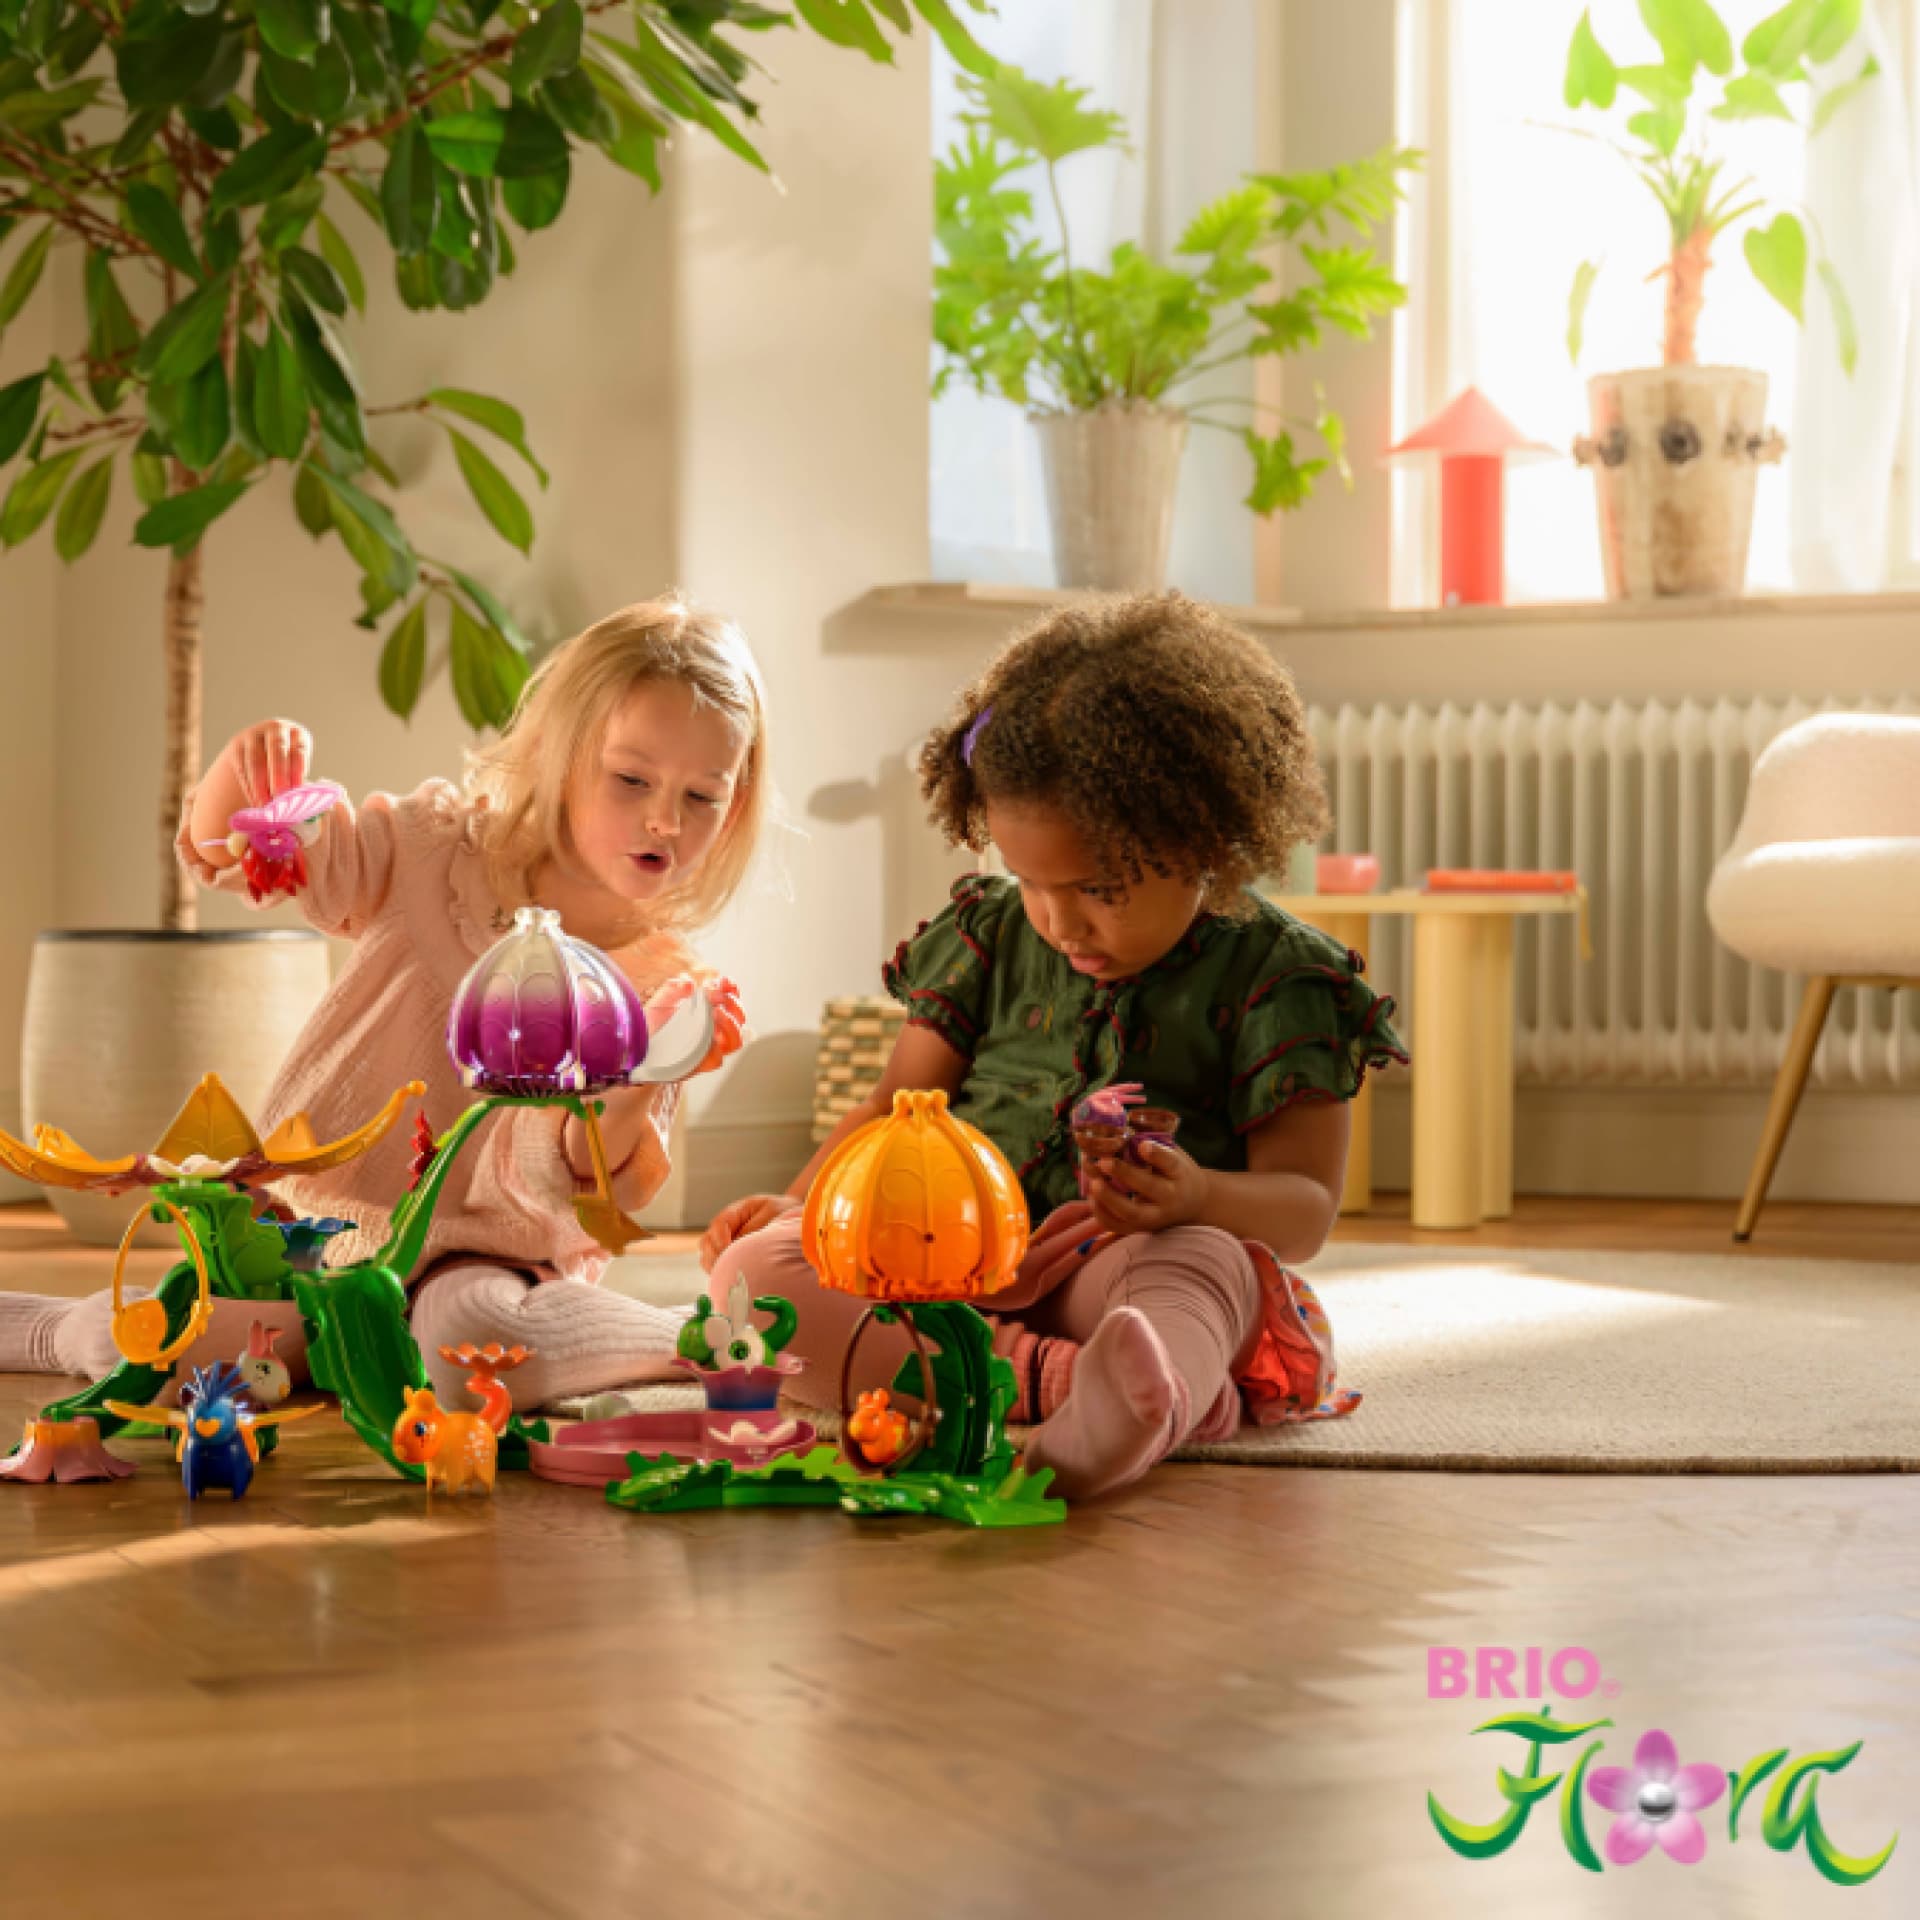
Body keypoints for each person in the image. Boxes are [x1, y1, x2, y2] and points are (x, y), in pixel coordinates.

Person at [701, 592, 1406, 1499]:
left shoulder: (1280, 975)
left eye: (1099, 888)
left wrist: (1197, 1194)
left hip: (1120, 1268)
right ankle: (1065, 1389)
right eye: (1030, 882)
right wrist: (798, 1209)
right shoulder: (991, 935)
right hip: (946, 1261)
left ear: (1205, 839)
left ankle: (1125, 1387)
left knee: (1207, 1269)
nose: (1060, 920)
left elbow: (1305, 1210)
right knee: (752, 1274)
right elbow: (887, 1115)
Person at [1, 596, 764, 1410]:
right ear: (558, 756)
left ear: (737, 804)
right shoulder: (435, 851)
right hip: (325, 1230)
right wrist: (243, 780)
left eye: (701, 797)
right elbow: (258, 855)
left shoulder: (664, 992)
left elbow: (590, 1179)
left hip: (492, 1258)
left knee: (463, 1349)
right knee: (180, 1352)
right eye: (631, 779)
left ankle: (696, 1335)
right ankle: (52, 1329)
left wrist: (643, 1074)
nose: (662, 820)